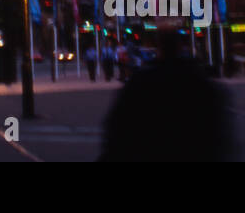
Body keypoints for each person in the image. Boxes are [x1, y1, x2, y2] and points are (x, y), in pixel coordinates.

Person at [99, 27, 233, 162]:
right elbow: (218, 138)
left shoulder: (141, 83)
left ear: (159, 49)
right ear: (180, 47)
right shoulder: (201, 84)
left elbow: (117, 133)